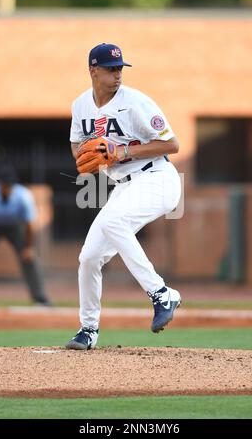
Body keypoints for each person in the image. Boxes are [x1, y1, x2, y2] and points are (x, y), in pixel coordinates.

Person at [66, 43, 181, 350]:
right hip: (124, 186)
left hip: (158, 177)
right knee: (89, 257)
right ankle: (88, 329)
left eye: (120, 69)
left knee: (115, 223)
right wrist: (87, 158)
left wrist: (123, 151)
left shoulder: (135, 102)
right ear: (93, 70)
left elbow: (172, 145)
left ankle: (161, 293)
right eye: (110, 69)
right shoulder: (80, 106)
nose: (117, 75)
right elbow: (78, 144)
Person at [0, 165, 51, 306]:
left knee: (30, 259)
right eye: (4, 184)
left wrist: (28, 247)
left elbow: (29, 224)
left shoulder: (23, 196)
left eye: (10, 185)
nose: (7, 188)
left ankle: (40, 297)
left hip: (15, 226)